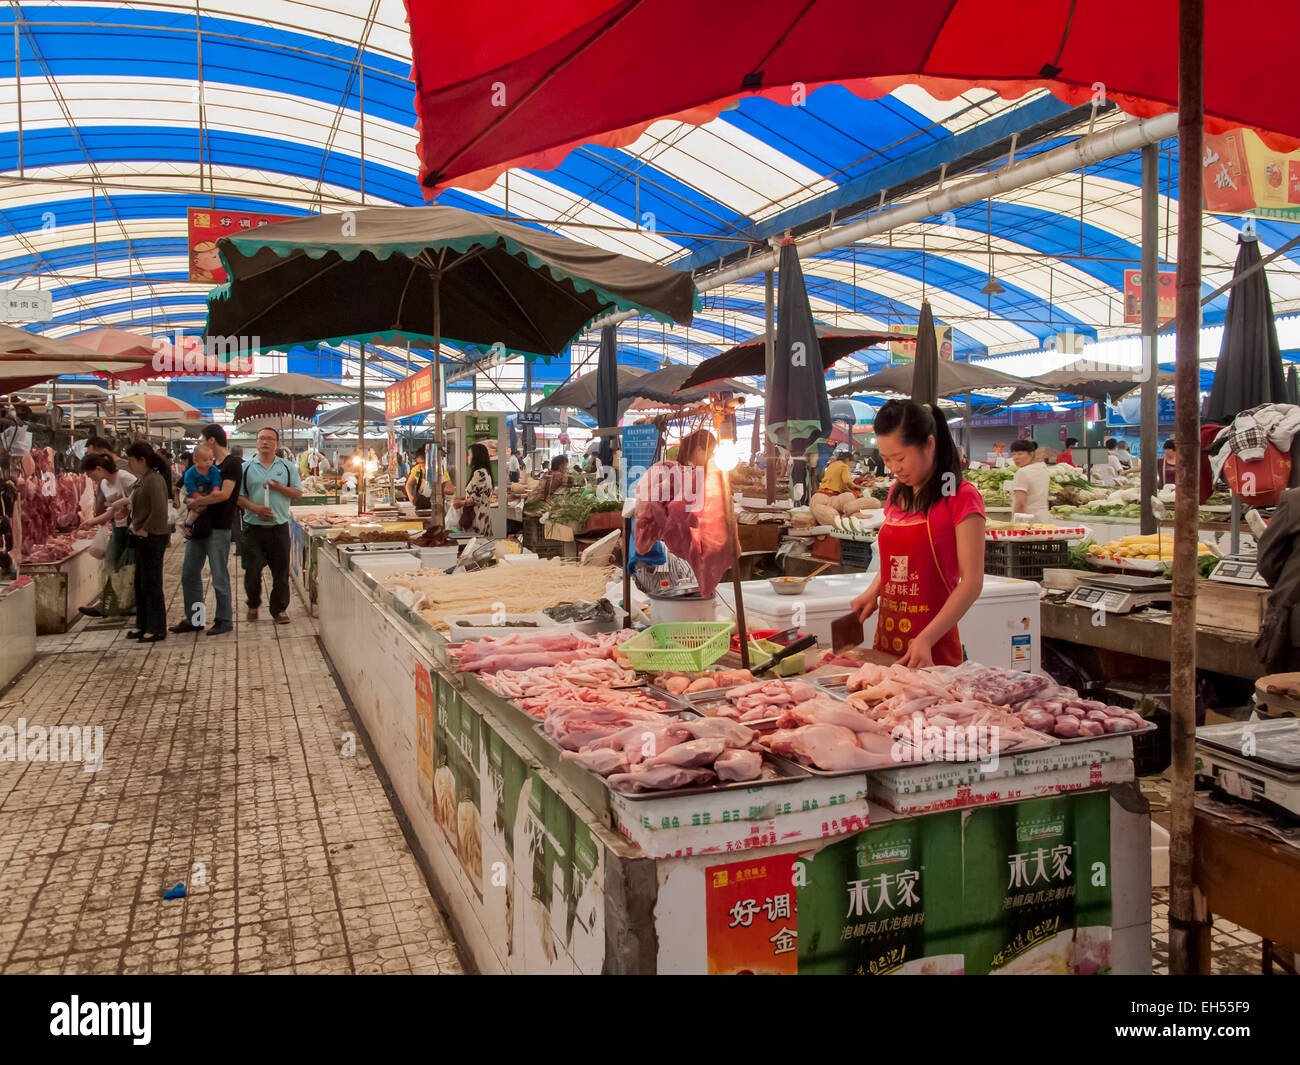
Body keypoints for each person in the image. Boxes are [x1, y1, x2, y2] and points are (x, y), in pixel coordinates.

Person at [850, 399, 986, 668]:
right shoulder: (896, 494)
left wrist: (926, 638)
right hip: (888, 639)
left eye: (900, 458)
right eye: (887, 459)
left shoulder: (960, 496)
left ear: (930, 444)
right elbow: (898, 560)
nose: (894, 468)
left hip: (935, 650)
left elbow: (972, 583)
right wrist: (873, 591)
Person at [172, 424, 242, 636]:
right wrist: (183, 500)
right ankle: (195, 619)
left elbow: (224, 494)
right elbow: (180, 485)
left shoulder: (232, 464)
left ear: (212, 441)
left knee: (219, 575)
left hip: (219, 528)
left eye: (203, 441)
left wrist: (198, 501)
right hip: (198, 528)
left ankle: (224, 619)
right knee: (189, 574)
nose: (202, 445)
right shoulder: (198, 466)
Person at [238, 426, 303, 623]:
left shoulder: (287, 468)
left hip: (279, 527)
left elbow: (298, 494)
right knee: (252, 570)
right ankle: (253, 603)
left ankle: (279, 609)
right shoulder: (246, 468)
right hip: (253, 528)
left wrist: (280, 488)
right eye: (261, 439)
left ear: (276, 443)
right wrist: (255, 509)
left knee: (281, 572)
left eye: (269, 439)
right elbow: (238, 497)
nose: (265, 442)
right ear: (257, 443)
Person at [76, 452, 138, 618]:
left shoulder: (124, 477)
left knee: (129, 568)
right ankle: (111, 604)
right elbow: (111, 512)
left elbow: (141, 495)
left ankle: (126, 604)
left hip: (133, 529)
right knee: (112, 565)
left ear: (99, 469)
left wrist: (124, 502)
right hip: (118, 529)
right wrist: (93, 521)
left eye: (90, 474)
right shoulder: (104, 484)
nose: (90, 478)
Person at [124, 442, 172, 643]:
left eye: (131, 461)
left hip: (152, 537)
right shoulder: (144, 479)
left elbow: (160, 509)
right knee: (141, 583)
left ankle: (156, 627)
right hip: (142, 536)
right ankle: (143, 624)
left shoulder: (154, 480)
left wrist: (146, 529)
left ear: (142, 460)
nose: (129, 465)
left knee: (151, 583)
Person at [179, 443, 222, 539]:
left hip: (207, 495)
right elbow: (189, 485)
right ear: (195, 460)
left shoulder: (213, 469)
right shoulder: (190, 472)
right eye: (205, 460)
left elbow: (217, 480)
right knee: (197, 507)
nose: (208, 462)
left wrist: (216, 489)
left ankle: (189, 524)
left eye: (211, 459)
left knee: (203, 506)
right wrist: (197, 496)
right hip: (192, 495)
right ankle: (187, 524)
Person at [454, 442, 495, 536]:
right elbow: (478, 494)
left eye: (469, 454)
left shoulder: (479, 473)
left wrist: (461, 503)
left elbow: (475, 498)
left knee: (475, 544)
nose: (467, 457)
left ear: (476, 456)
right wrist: (462, 498)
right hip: (482, 515)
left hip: (477, 517)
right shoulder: (485, 472)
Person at [1009, 438, 1051, 522]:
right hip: (1044, 518)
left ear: (1031, 454)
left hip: (1028, 521)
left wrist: (1017, 525)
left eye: (1020, 454)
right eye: (1014, 454)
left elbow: (1020, 504)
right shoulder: (1043, 469)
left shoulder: (1022, 472)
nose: (1015, 458)